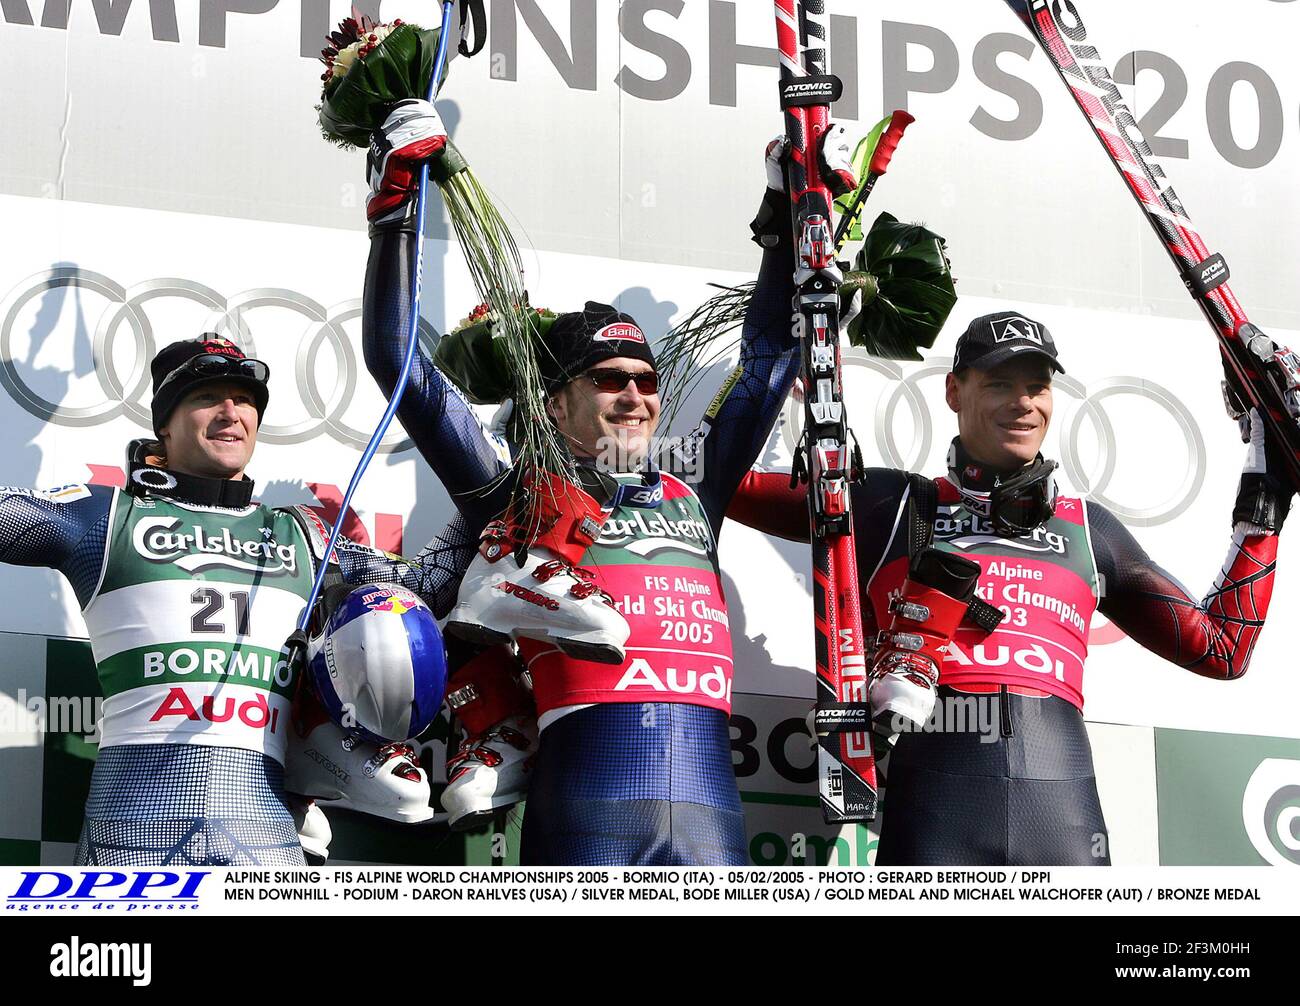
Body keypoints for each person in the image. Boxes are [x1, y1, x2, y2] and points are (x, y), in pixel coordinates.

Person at [360, 100, 855, 863]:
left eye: (646, 381)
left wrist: (783, 211)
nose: (636, 396)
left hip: (710, 821)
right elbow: (403, 367)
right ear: (556, 403)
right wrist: (394, 204)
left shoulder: (694, 489)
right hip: (586, 812)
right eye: (608, 380)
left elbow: (765, 363)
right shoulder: (515, 496)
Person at [727, 311, 1292, 865]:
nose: (1023, 403)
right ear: (953, 391)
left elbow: (1222, 648)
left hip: (1065, 828)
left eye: (1037, 386)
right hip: (935, 820)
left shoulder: (1088, 528)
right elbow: (726, 483)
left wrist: (1266, 497)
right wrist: (797, 336)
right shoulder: (888, 506)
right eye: (999, 383)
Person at [0, 335, 471, 865]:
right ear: (164, 423)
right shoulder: (103, 518)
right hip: (130, 838)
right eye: (207, 396)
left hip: (265, 844)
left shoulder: (304, 534)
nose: (231, 411)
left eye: (245, 400)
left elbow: (432, 581)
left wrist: (499, 476)